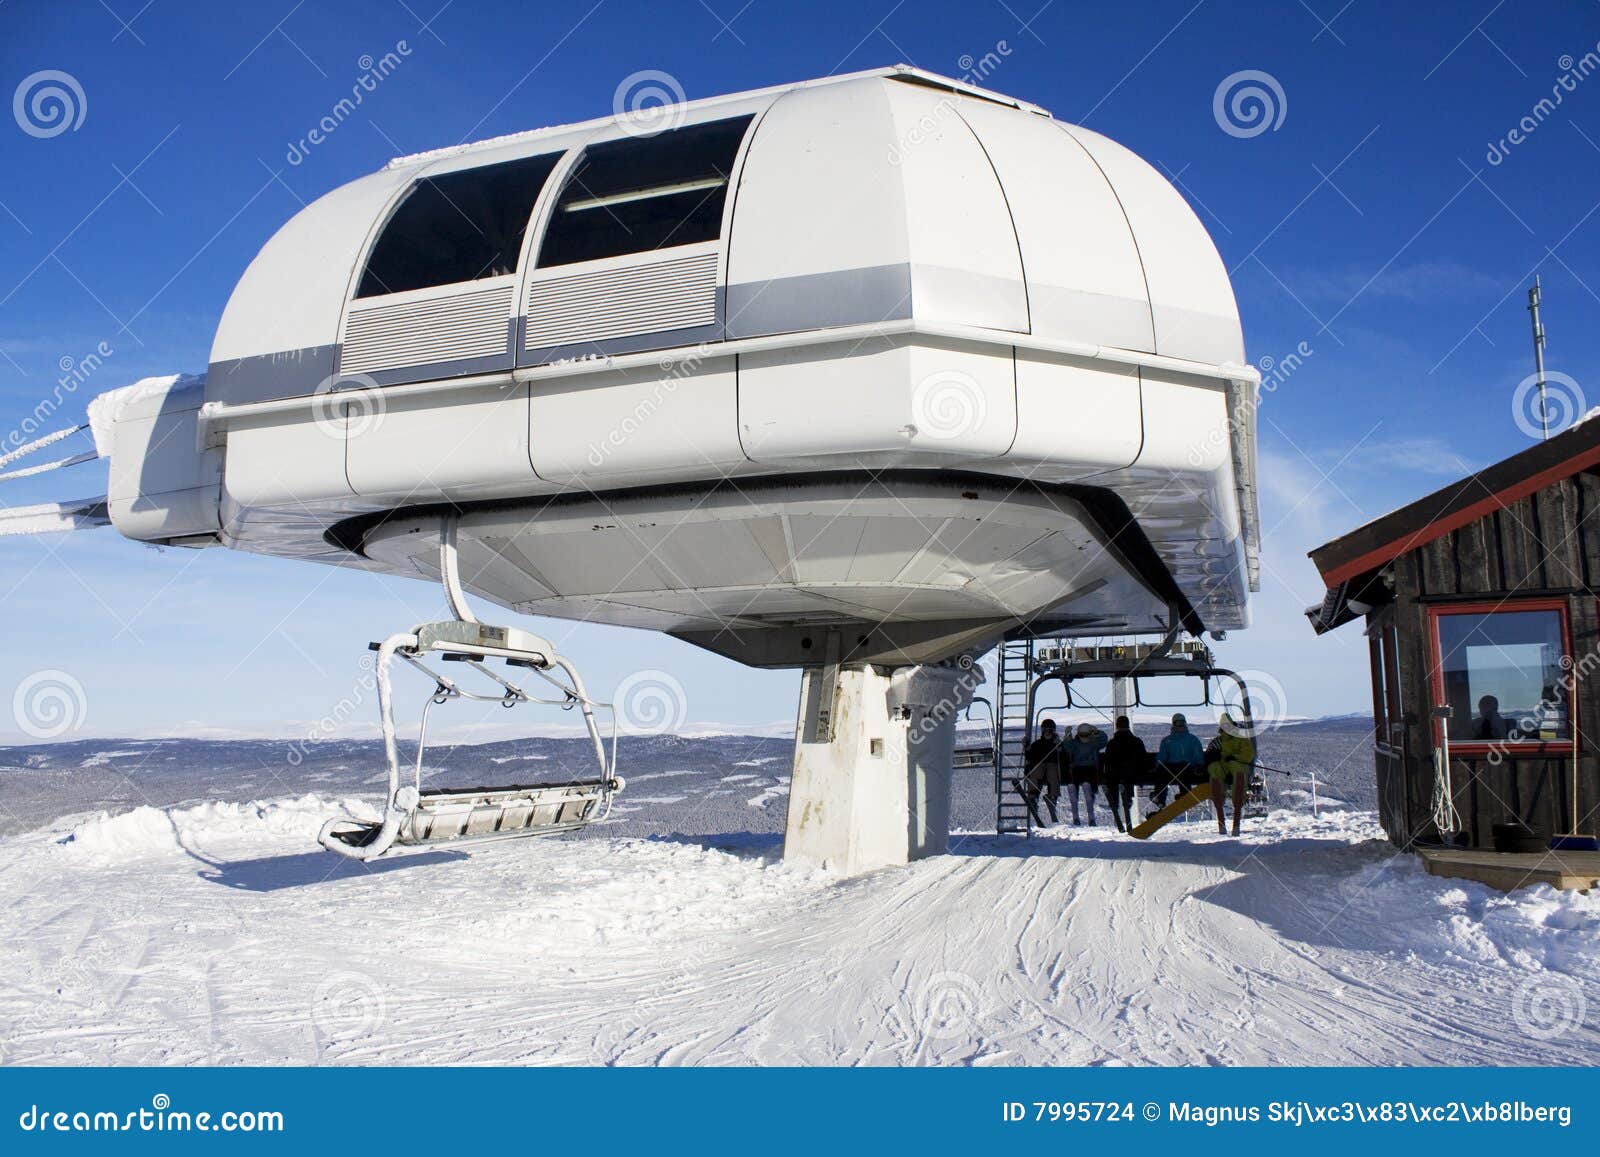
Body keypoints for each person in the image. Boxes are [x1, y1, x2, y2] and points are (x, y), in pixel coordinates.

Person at [1211, 712, 1255, 836]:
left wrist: (1235, 757)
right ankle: (1221, 823)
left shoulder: (1241, 739)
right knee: (1215, 772)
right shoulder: (1218, 741)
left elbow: (1248, 754)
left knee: (1239, 775)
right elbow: (1210, 755)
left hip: (1238, 766)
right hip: (1223, 767)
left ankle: (1236, 824)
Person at [1100, 715, 1146, 832]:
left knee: (1113, 781)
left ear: (1117, 726)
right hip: (1131, 773)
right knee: (1127, 778)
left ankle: (1114, 802)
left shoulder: (1112, 743)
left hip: (1114, 774)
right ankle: (1127, 799)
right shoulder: (1136, 741)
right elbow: (1143, 758)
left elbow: (1107, 760)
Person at [1153, 712, 1205, 807]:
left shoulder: (1192, 739)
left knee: (1183, 769)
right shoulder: (1167, 741)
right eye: (1178, 723)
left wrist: (1199, 765)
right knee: (1163, 772)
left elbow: (1198, 754)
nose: (1180, 725)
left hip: (1188, 768)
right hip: (1172, 768)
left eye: (1182, 723)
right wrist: (1158, 765)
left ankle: (1184, 793)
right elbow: (1162, 757)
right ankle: (1160, 798)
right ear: (1173, 724)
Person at [1063, 722, 1107, 826]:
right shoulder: (1078, 743)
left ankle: (1090, 817)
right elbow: (1067, 747)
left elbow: (1104, 741)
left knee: (1086, 788)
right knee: (1073, 787)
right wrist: (1067, 736)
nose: (1084, 738)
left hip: (1090, 769)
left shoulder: (1094, 742)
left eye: (1086, 735)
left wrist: (1098, 733)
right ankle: (1077, 817)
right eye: (1082, 735)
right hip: (1079, 769)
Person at [1022, 719, 1063, 827]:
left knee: (1052, 771)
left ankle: (1052, 796)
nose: (1047, 733)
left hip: (1052, 768)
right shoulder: (1037, 744)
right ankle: (1033, 796)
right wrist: (1027, 747)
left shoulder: (1057, 744)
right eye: (1046, 730)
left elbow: (1064, 757)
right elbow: (1030, 757)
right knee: (1036, 769)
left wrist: (1060, 747)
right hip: (1039, 769)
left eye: (1050, 730)